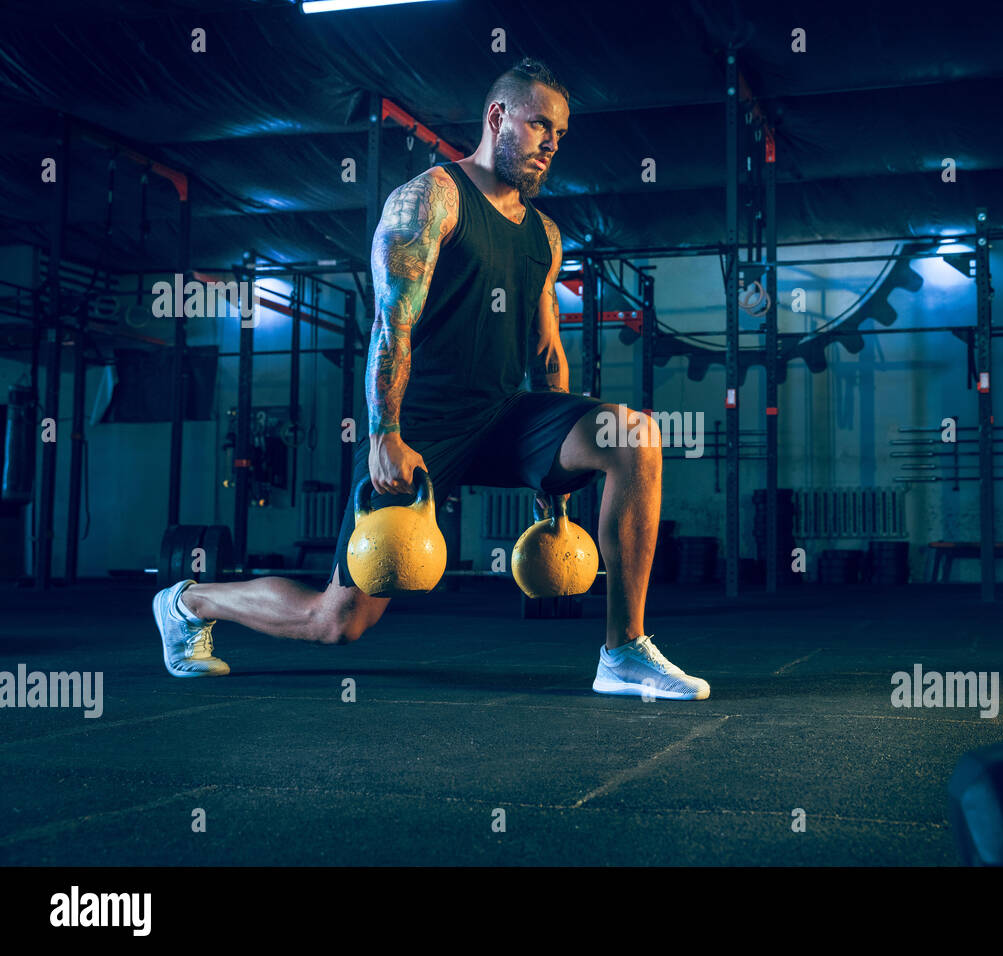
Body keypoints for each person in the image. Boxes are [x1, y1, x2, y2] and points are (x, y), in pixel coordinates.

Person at [152, 58, 710, 701]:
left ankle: (624, 652)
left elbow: (546, 348)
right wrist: (384, 431)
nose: (550, 144)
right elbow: (393, 325)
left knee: (632, 434)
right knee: (337, 621)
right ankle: (189, 602)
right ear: (497, 117)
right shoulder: (431, 199)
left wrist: (555, 476)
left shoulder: (545, 235)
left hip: (507, 416)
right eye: (538, 126)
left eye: (559, 134)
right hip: (422, 424)